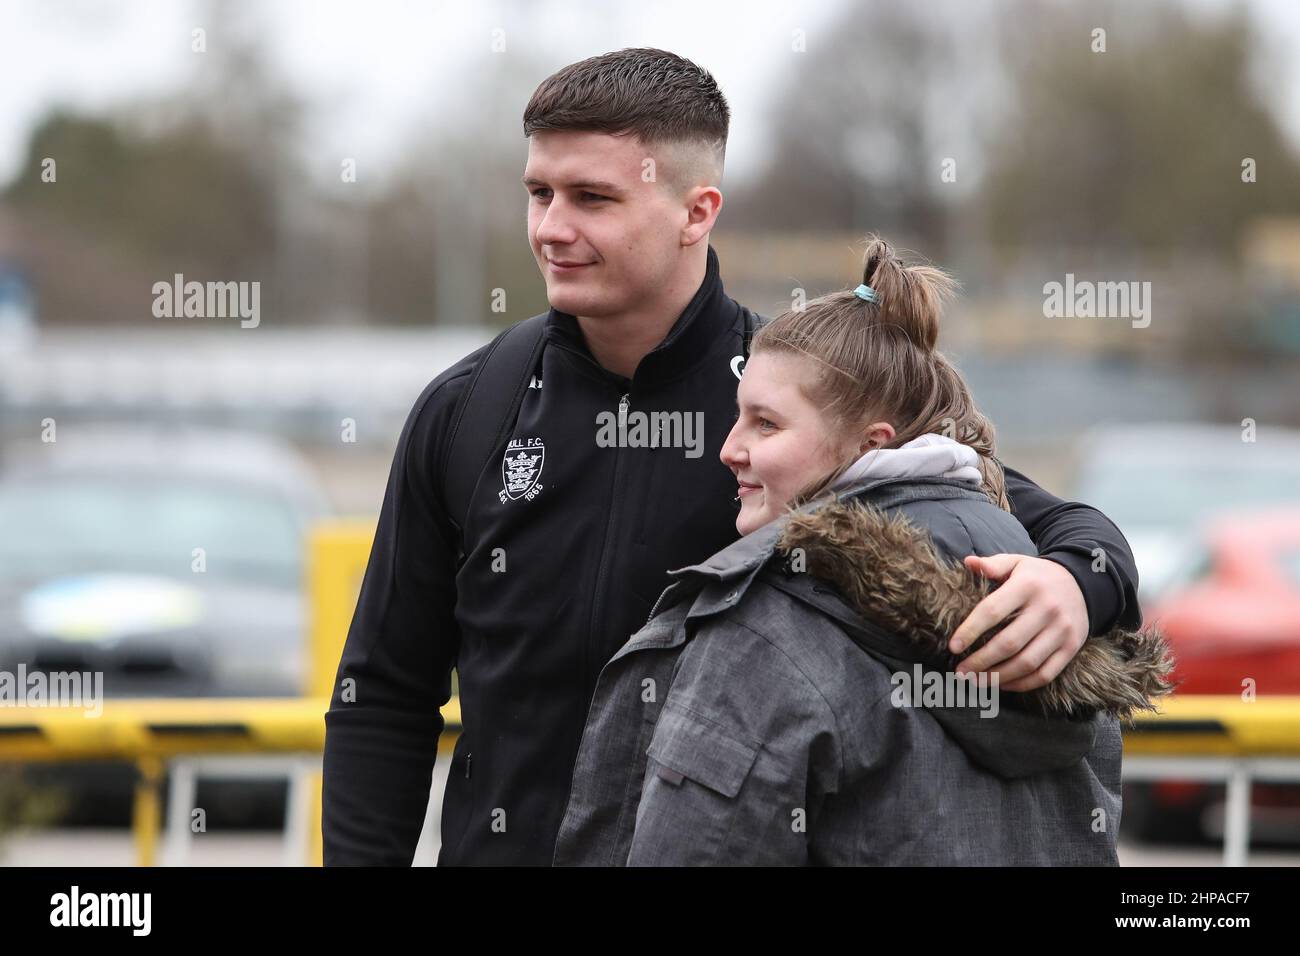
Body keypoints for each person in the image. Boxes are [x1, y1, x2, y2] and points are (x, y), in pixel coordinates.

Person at [322, 49, 1143, 867]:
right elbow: (384, 695)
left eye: (592, 198)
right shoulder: (469, 407)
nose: (551, 227)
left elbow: (1046, 519)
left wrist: (1077, 582)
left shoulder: (801, 401)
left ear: (697, 211)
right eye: (539, 193)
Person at [553, 238, 1174, 866]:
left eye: (765, 424)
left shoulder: (764, 634)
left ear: (869, 443)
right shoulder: (1042, 607)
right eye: (738, 417)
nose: (728, 448)